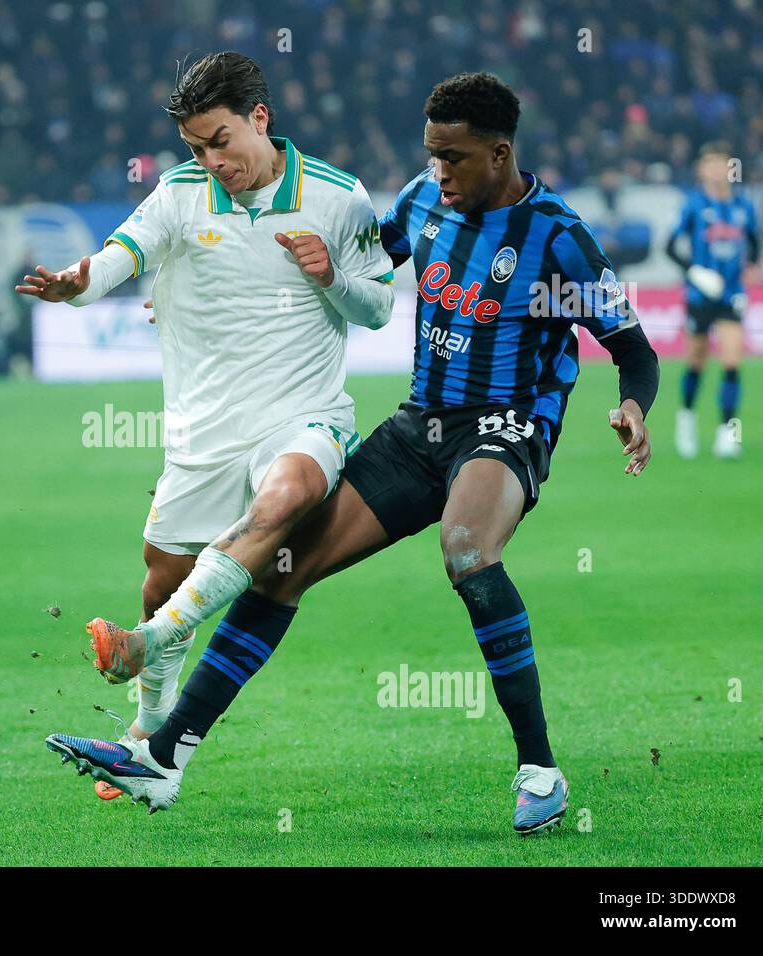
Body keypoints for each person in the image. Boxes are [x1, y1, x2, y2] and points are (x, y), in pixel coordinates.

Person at [47, 72, 659, 835]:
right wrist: (189, 289)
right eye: (430, 156)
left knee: (466, 550)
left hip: (506, 427)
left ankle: (540, 769)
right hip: (420, 427)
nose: (437, 173)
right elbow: (359, 275)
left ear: (500, 154)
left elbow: (634, 349)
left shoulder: (559, 238)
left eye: (454, 159)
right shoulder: (424, 199)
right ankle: (163, 761)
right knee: (279, 570)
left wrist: (634, 405)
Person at [18, 52, 394, 768]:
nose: (211, 159)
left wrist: (333, 275)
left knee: (287, 495)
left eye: (220, 140)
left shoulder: (341, 198)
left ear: (260, 117)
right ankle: (144, 733)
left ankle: (145, 646)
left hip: (305, 413)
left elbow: (377, 306)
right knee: (163, 581)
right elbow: (121, 255)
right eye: (196, 147)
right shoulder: (181, 194)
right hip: (205, 430)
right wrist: (78, 283)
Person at [666, 141, 760, 459]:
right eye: (711, 163)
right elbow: (669, 246)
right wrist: (695, 273)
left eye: (723, 163)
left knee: (733, 361)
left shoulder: (743, 206)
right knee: (697, 360)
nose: (718, 169)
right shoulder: (693, 205)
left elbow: (755, 243)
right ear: (702, 169)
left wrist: (750, 269)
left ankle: (727, 434)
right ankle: (687, 420)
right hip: (700, 295)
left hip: (732, 294)